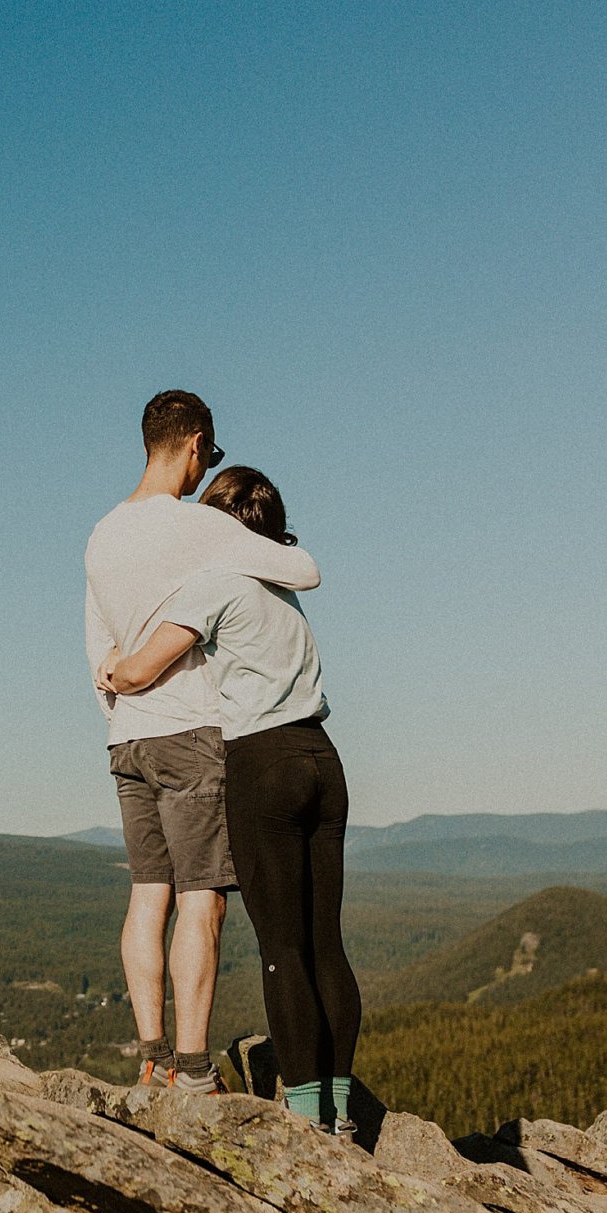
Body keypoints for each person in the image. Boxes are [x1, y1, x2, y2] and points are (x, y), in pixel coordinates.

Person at [98, 465, 359, 1135]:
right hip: (322, 758)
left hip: (261, 764)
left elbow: (145, 664)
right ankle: (344, 1109)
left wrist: (111, 670)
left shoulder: (215, 585)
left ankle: (308, 1120)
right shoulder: (285, 592)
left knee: (282, 951)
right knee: (326, 943)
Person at [84, 393, 321, 1094]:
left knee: (146, 894)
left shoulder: (100, 536)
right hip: (189, 730)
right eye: (208, 457)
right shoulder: (193, 529)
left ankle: (152, 1054)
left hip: (126, 735)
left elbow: (99, 649)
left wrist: (119, 700)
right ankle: (192, 1070)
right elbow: (303, 569)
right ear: (194, 445)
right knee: (202, 900)